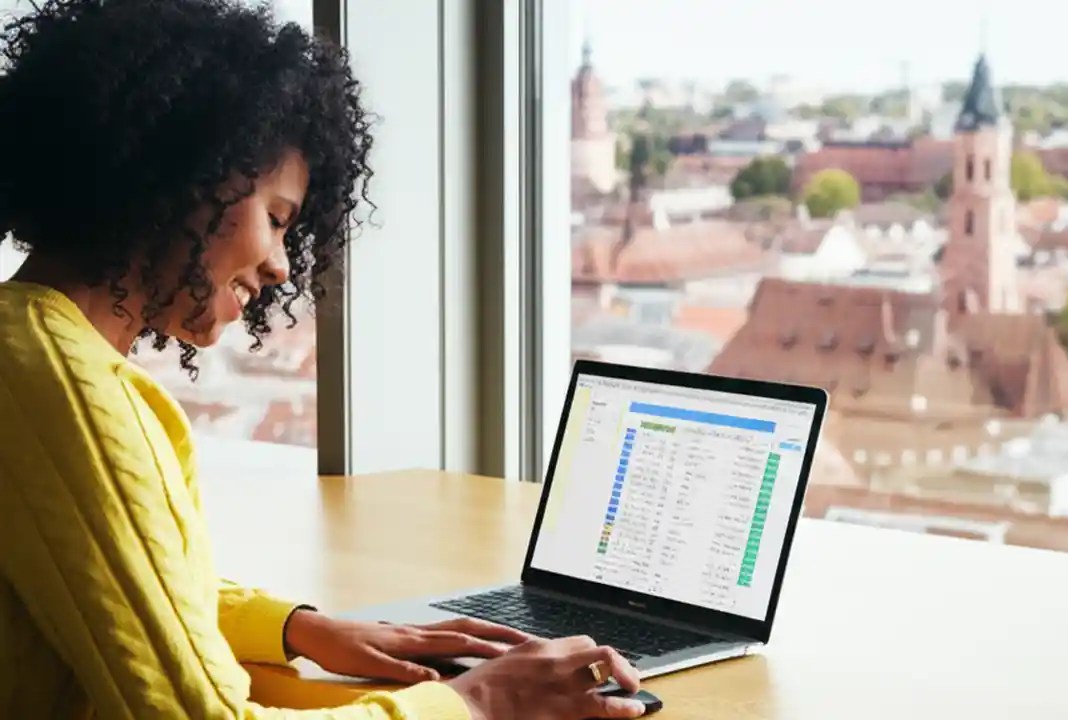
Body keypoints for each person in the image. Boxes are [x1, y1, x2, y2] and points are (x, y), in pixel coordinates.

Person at [0, 1, 646, 718]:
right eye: (275, 218)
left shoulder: (25, 348)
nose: (281, 266)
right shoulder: (66, 387)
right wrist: (479, 702)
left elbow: (107, 580)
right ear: (176, 178)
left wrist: (298, 628)